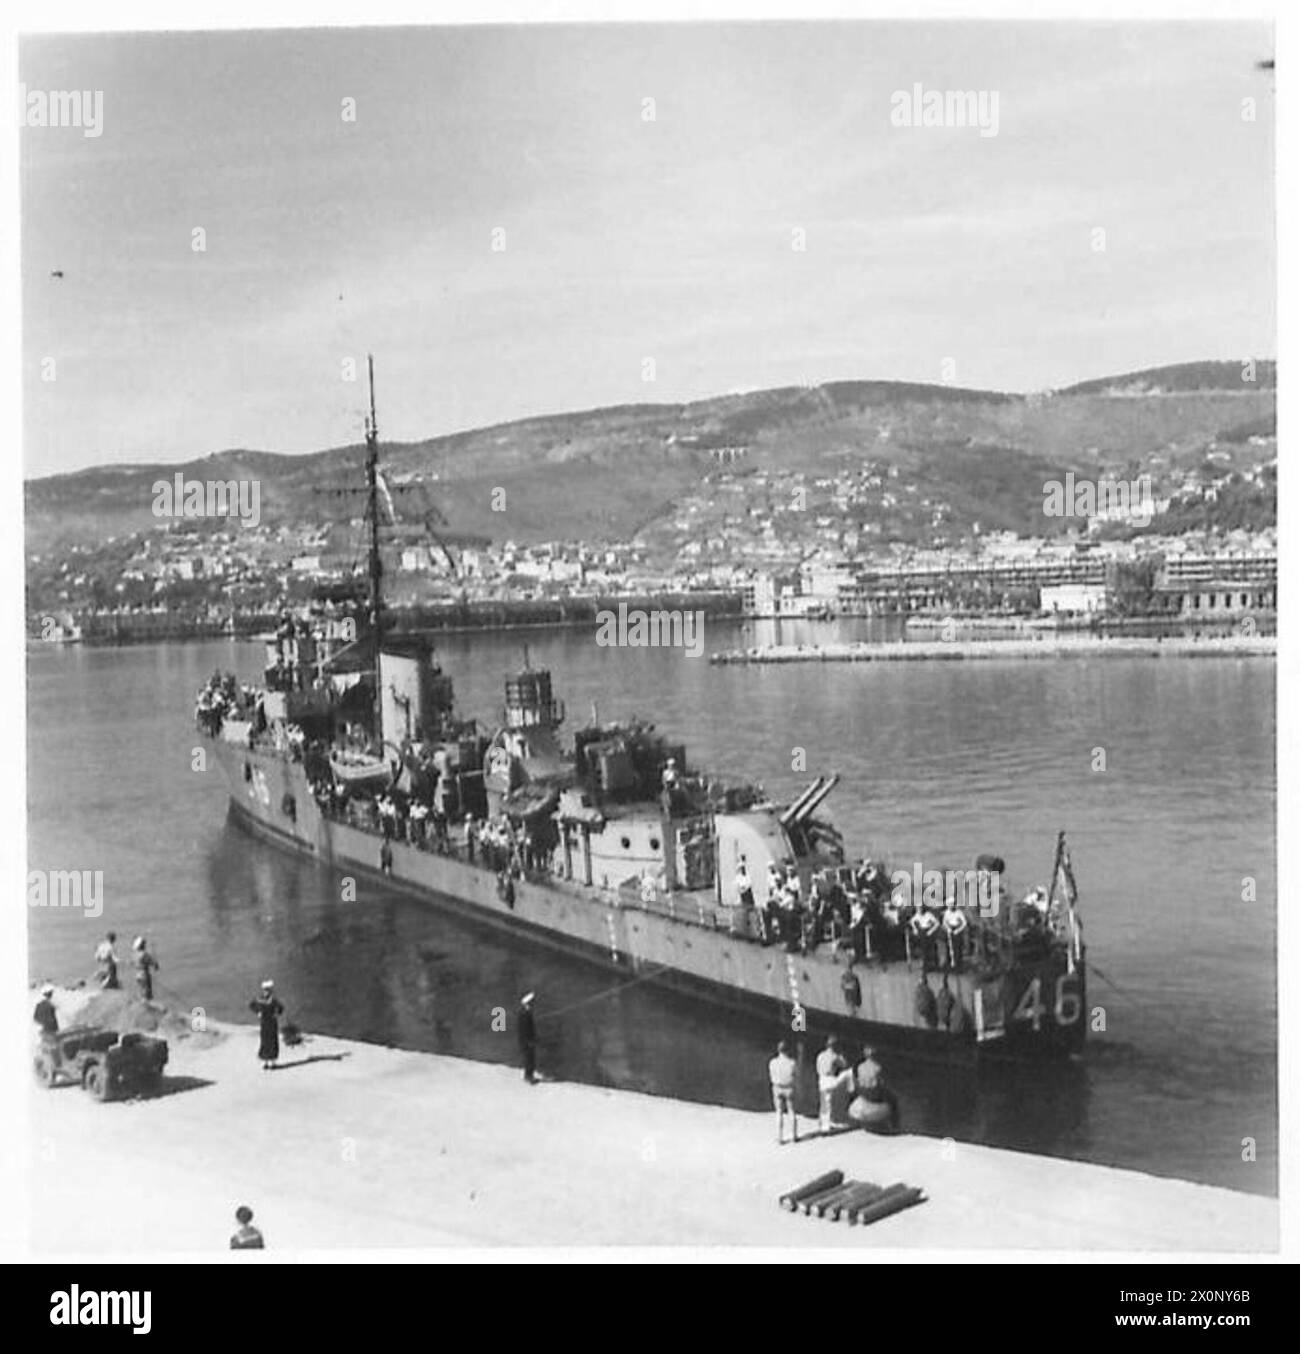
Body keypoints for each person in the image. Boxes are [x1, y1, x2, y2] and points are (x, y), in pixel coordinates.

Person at [853, 1045, 899, 1130]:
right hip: (874, 1099)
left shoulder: (859, 1067)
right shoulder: (877, 1067)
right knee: (893, 1099)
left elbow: (859, 1083)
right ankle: (894, 1127)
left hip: (863, 1097)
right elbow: (880, 1085)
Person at [767, 1039, 799, 1145]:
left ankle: (780, 1137)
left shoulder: (773, 1062)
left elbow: (771, 1075)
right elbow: (795, 1075)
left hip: (777, 1087)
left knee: (779, 1112)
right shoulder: (792, 1063)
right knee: (792, 1111)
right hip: (789, 1087)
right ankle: (794, 1136)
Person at [815, 1035, 848, 1133]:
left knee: (824, 1102)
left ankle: (823, 1122)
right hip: (830, 1081)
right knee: (848, 1073)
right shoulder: (835, 1056)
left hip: (821, 1080)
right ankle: (825, 1127)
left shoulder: (820, 1055)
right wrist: (842, 1055)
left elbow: (818, 1068)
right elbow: (844, 1065)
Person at [250, 980, 285, 1070]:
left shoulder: (265, 999)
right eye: (266, 990)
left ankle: (270, 1062)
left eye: (268, 990)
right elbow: (252, 1005)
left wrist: (276, 1014)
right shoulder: (269, 999)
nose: (266, 992)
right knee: (267, 1041)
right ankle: (266, 1062)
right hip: (267, 1022)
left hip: (269, 1022)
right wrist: (258, 1012)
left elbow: (281, 1008)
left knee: (270, 1041)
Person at [518, 991, 538, 1084]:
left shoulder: (525, 1011)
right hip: (527, 1040)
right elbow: (525, 1029)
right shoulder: (525, 1013)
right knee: (529, 1058)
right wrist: (529, 1040)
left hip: (526, 1040)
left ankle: (529, 1075)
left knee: (530, 1058)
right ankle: (529, 1076)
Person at [132, 935, 159, 1001]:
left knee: (141, 992)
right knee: (147, 994)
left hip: (137, 975)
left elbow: (133, 963)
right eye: (144, 943)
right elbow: (154, 964)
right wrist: (156, 964)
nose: (145, 945)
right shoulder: (145, 954)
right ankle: (147, 1008)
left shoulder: (134, 954)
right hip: (144, 975)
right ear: (142, 945)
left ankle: (143, 1004)